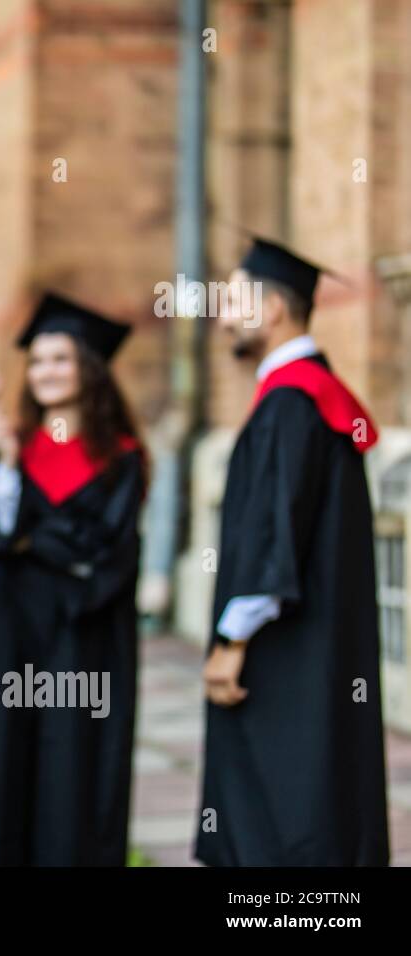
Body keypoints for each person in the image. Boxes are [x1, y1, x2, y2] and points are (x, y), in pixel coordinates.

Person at [196, 237, 389, 866]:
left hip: (280, 649)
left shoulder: (289, 403)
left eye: (232, 300)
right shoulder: (313, 396)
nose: (223, 316)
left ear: (272, 309)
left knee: (282, 804)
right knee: (318, 788)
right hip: (319, 643)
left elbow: (273, 530)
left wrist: (232, 642)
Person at [0, 292, 147, 866]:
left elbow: (109, 552)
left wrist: (34, 540)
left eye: (60, 359)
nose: (45, 372)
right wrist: (6, 465)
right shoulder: (11, 446)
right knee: (0, 751)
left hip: (81, 631)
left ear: (89, 368)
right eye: (36, 361)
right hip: (5, 625)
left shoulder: (120, 456)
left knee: (70, 757)